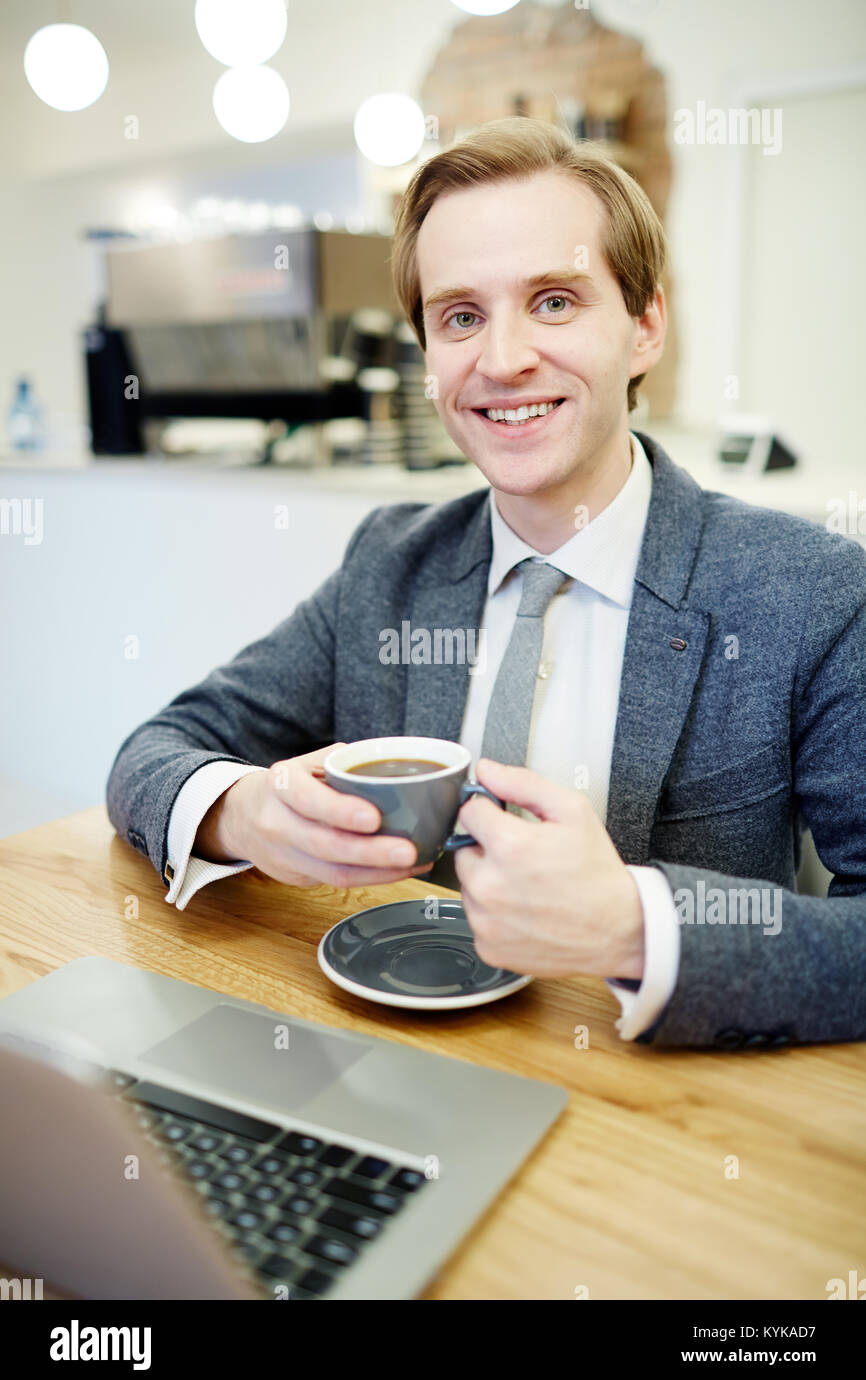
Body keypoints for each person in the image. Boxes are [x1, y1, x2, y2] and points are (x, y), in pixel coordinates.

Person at [107, 118, 866, 1050]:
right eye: (460, 316)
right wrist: (244, 814)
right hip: (396, 1071)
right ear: (428, 352)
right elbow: (154, 752)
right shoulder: (388, 564)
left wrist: (637, 924)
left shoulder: (813, 593)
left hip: (660, 1126)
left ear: (644, 327)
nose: (502, 360)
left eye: (553, 301)